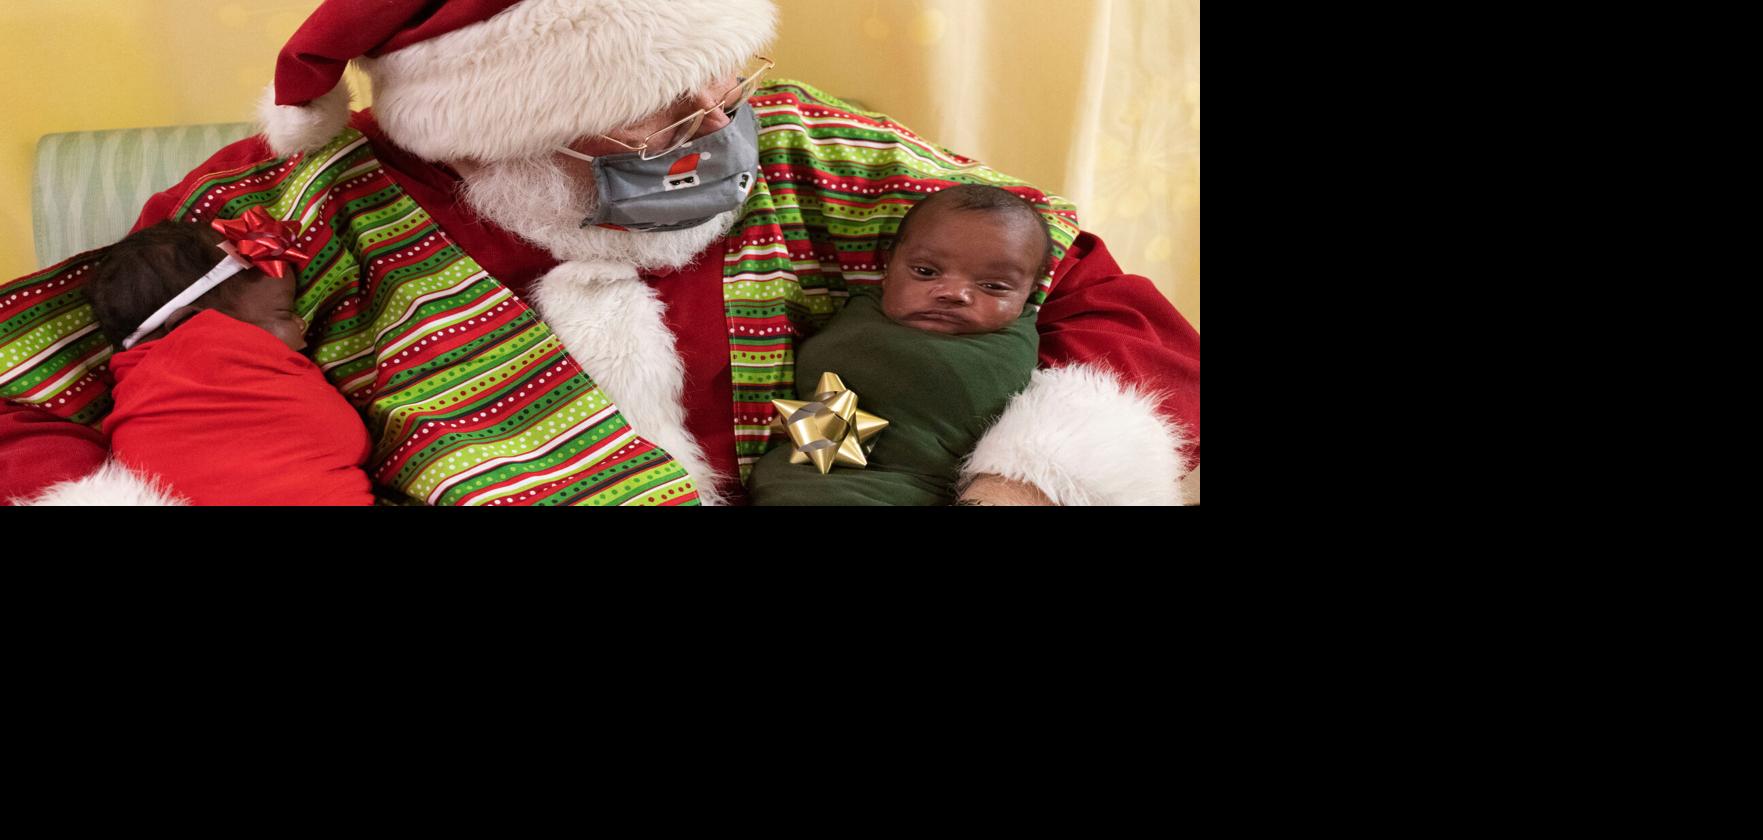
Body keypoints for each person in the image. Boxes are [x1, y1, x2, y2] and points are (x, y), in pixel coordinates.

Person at [1, 0, 1198, 506]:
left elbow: (1105, 302)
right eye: (656, 112)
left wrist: (1029, 475)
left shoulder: (813, 145)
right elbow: (33, 407)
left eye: (719, 85)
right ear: (493, 117)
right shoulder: (276, 209)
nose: (713, 127)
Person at [747, 185, 1048, 505]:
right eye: (925, 271)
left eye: (993, 286)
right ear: (887, 267)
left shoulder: (1011, 344)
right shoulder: (860, 313)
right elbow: (821, 362)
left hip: (921, 486)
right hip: (810, 472)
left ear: (1028, 293)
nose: (954, 293)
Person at [87, 213, 374, 506]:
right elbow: (348, 439)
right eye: (283, 314)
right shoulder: (213, 351)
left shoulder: (133, 396)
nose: (302, 324)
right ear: (189, 325)